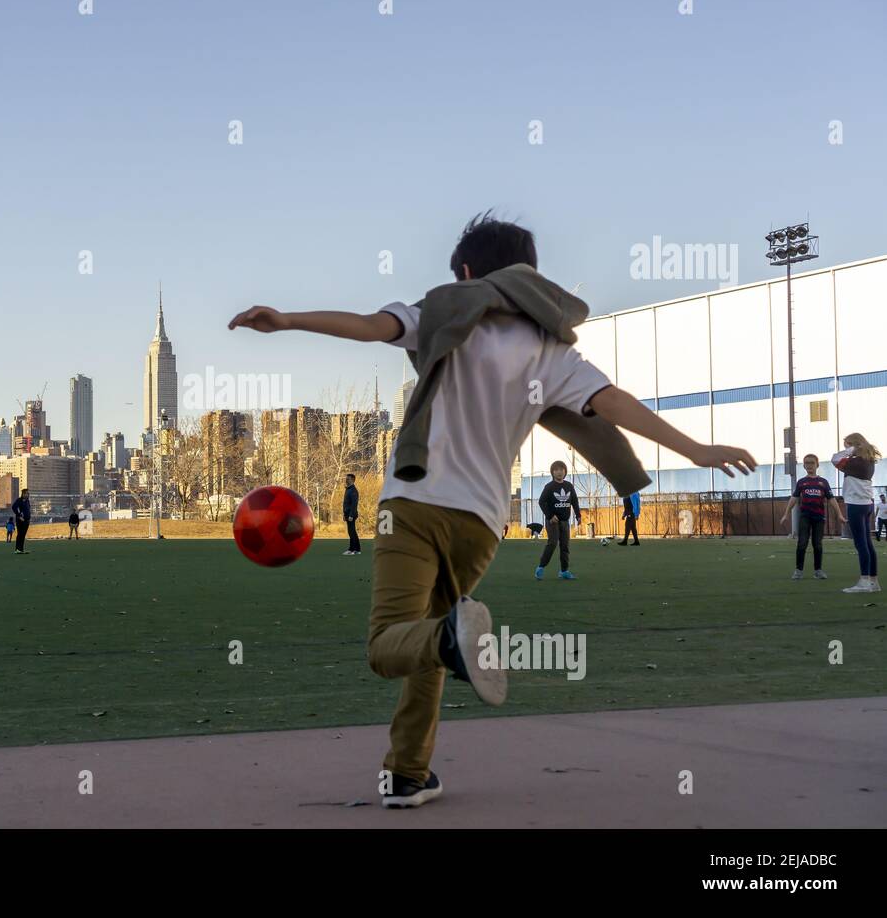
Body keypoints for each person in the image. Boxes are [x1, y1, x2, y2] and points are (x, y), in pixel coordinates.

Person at [228, 212, 754, 809]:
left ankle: (446, 663)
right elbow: (617, 405)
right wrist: (696, 449)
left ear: (468, 272)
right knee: (431, 635)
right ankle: (407, 773)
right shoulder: (552, 354)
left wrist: (288, 320)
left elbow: (371, 327)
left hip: (413, 501)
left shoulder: (440, 312)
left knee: (388, 644)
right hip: (479, 522)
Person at [780, 454, 844, 579]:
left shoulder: (823, 482)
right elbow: (794, 498)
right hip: (805, 517)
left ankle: (818, 571)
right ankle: (798, 571)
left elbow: (831, 499)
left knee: (817, 544)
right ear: (804, 465)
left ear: (817, 465)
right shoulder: (802, 482)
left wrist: (840, 515)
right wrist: (786, 513)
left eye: (812, 463)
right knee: (802, 543)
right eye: (807, 463)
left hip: (819, 518)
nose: (809, 465)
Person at [832, 434, 880, 593]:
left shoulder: (855, 462)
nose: (846, 449)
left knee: (860, 544)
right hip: (866, 505)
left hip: (856, 505)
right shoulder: (868, 461)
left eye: (847, 445)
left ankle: (864, 581)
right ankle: (873, 581)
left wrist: (851, 449)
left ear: (854, 445)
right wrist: (854, 448)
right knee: (867, 543)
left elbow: (835, 459)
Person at [535, 461, 580, 579]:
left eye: (561, 469)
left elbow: (574, 501)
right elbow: (541, 502)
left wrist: (578, 515)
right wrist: (550, 515)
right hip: (552, 522)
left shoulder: (569, 486)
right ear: (552, 472)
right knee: (553, 543)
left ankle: (564, 571)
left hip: (565, 522)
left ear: (565, 471)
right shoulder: (549, 487)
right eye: (556, 470)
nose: (559, 472)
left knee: (565, 546)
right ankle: (540, 567)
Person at [342, 474, 361, 555]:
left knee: (351, 532)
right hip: (347, 513)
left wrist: (351, 515)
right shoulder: (348, 489)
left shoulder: (353, 490)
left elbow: (354, 504)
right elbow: (346, 503)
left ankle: (352, 549)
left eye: (348, 479)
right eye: (346, 479)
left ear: (353, 480)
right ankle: (357, 549)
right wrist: (344, 514)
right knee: (352, 531)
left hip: (351, 514)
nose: (347, 480)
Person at [12, 489, 32, 554]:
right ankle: (17, 549)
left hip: (27, 521)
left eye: (28, 493)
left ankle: (21, 549)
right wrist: (19, 515)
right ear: (23, 494)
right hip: (20, 520)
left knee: (23, 535)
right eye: (27, 493)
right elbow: (14, 507)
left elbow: (28, 509)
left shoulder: (27, 501)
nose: (28, 495)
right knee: (20, 534)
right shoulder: (19, 500)